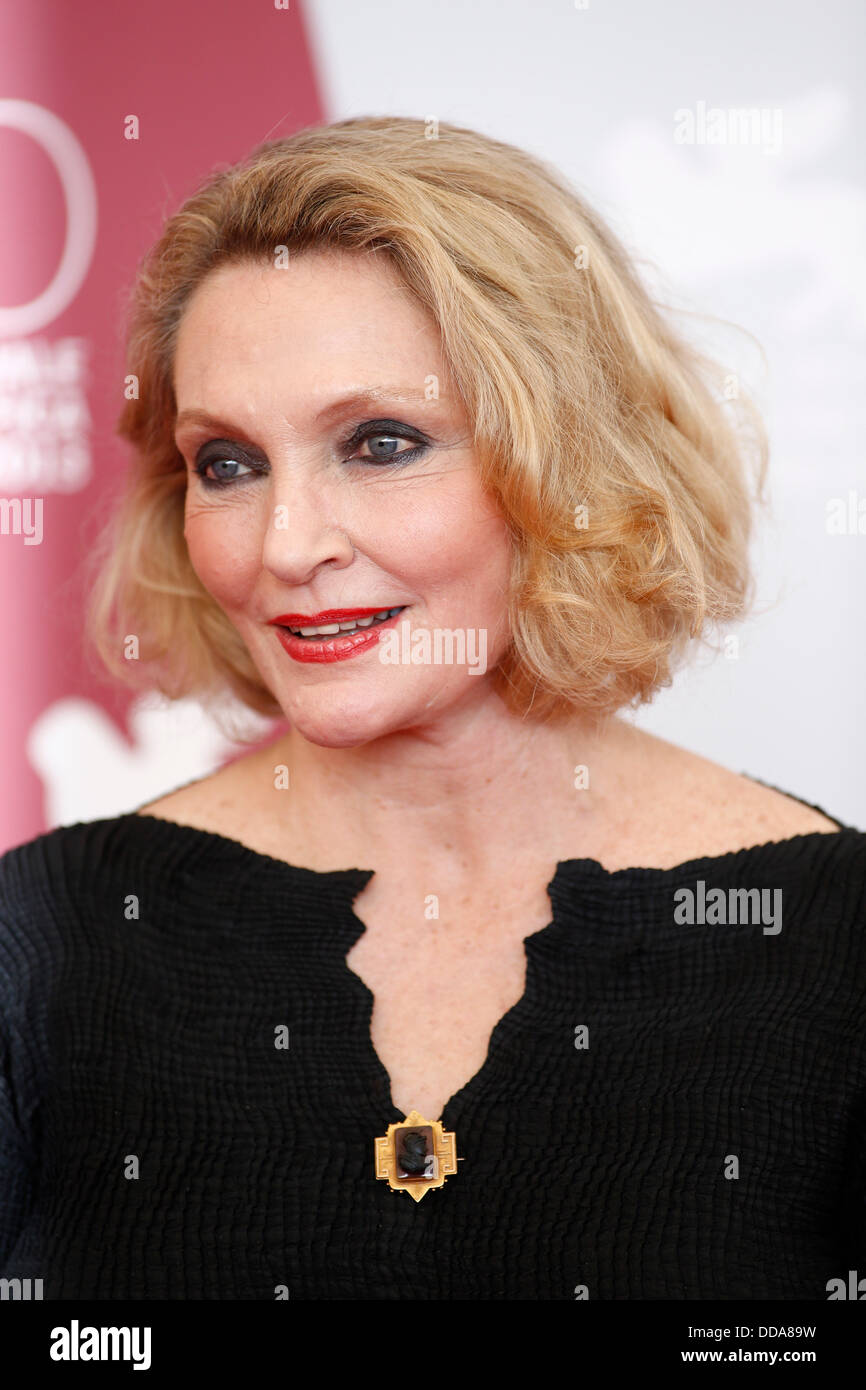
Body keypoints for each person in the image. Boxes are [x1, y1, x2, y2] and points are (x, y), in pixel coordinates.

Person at [1, 116, 863, 1300]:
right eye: (228, 463)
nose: (286, 545)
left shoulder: (832, 942)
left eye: (380, 443)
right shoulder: (43, 938)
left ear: (565, 465)